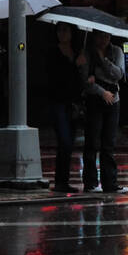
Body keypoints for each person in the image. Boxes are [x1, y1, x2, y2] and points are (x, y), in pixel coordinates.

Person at [78, 30, 127, 193]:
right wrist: (101, 92)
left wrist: (102, 59)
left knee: (109, 143)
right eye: (100, 36)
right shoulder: (87, 52)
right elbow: (85, 81)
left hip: (114, 100)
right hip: (95, 99)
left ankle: (110, 183)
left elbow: (118, 74)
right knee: (92, 141)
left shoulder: (117, 51)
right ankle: (90, 182)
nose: (104, 39)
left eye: (106, 36)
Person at [47, 22, 83, 194]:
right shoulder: (53, 52)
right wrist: (74, 65)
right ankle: (60, 181)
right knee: (65, 141)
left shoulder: (77, 52)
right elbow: (56, 77)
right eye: (59, 30)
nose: (62, 33)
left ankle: (63, 180)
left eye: (65, 30)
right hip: (58, 102)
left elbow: (78, 80)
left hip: (72, 103)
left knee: (69, 143)